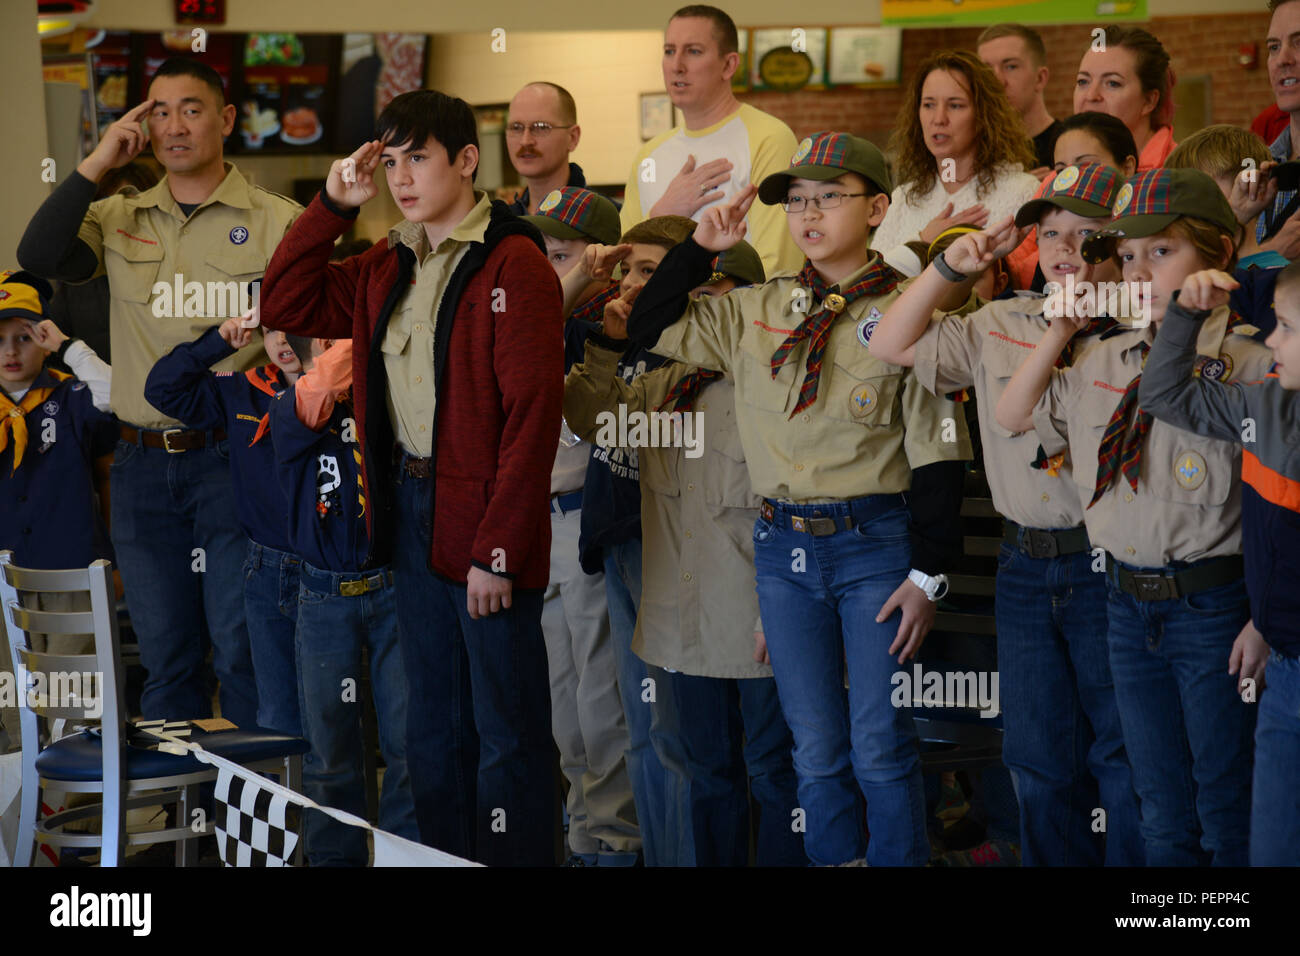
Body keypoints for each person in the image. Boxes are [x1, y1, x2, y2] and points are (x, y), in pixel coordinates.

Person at [625, 132, 972, 866]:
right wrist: (697, 248)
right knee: (814, 751)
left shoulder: (910, 317)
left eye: (830, 197)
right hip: (781, 551)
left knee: (879, 745)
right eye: (797, 201)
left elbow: (939, 455)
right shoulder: (755, 310)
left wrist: (927, 574)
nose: (809, 214)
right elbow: (649, 323)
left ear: (878, 207)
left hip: (874, 545)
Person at [258, 89, 563, 867]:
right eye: (389, 161)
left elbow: (532, 419)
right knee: (431, 729)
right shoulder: (383, 263)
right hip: (407, 505)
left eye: (417, 157)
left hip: (486, 513)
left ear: (466, 160)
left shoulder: (512, 261)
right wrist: (331, 202)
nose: (400, 177)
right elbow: (285, 298)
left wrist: (497, 548)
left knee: (506, 729)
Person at [996, 168, 1274, 866]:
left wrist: (1264, 616)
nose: (1141, 271)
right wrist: (1061, 330)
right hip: (1122, 604)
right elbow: (1011, 416)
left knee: (1223, 802)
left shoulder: (1252, 364)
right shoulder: (1100, 358)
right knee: (1158, 804)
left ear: (1217, 254)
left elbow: (1276, 510)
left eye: (1163, 252)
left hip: (1214, 607)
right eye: (1127, 256)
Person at [871, 165, 1145, 866]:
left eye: (1086, 235)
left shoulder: (1144, 335)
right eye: (1050, 231)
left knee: (1121, 752)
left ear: (1121, 247)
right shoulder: (1000, 322)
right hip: (1024, 562)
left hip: (1107, 565)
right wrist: (948, 267)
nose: (1062, 247)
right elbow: (890, 342)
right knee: (1035, 754)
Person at [16, 57, 301, 730]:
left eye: (192, 109)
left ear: (227, 119)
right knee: (169, 661)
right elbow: (38, 255)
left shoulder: (277, 222)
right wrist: (98, 160)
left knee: (243, 652)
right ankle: (183, 825)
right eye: (159, 112)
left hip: (238, 462)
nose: (174, 126)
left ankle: (241, 830)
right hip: (142, 467)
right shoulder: (116, 215)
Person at [565, 239, 806, 867]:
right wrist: (610, 345)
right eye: (693, 299)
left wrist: (774, 616)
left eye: (716, 299)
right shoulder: (662, 386)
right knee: (705, 772)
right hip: (687, 624)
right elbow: (597, 422)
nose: (701, 314)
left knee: (776, 771)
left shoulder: (779, 391)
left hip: (760, 621)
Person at [1138, 261, 1300, 866]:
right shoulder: (1268, 408)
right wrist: (1185, 314)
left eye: (1284, 327)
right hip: (1284, 671)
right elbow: (1164, 394)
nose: (1270, 340)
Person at [558, 215, 696, 866]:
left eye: (652, 270)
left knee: (676, 736)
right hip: (619, 543)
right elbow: (590, 421)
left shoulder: (697, 345)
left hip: (677, 550)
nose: (634, 283)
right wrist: (609, 346)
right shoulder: (616, 339)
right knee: (641, 732)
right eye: (629, 269)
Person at [519, 187, 641, 867]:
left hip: (585, 523)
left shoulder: (605, 319)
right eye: (539, 252)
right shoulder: (530, 312)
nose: (549, 266)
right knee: (561, 705)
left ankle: (617, 845)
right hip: (533, 526)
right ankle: (581, 837)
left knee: (602, 703)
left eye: (563, 254)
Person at [268, 337, 418, 866]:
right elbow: (295, 425)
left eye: (346, 341)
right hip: (323, 594)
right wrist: (335, 367)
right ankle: (336, 860)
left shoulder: (388, 399)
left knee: (406, 743)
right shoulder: (292, 406)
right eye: (327, 345)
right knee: (331, 750)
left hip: (393, 586)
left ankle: (404, 859)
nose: (339, 354)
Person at [144, 317, 305, 736]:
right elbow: (162, 389)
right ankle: (256, 790)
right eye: (272, 330)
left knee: (332, 707)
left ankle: (324, 800)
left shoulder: (348, 385)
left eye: (297, 325)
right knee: (266, 693)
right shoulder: (242, 390)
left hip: (334, 569)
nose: (284, 340)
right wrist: (216, 342)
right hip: (267, 564)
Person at [0, 271, 117, 746]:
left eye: (24, 337)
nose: (10, 351)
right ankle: (21, 812)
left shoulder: (71, 395)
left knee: (73, 703)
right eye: (0, 340)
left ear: (44, 339)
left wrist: (69, 348)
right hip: (4, 581)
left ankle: (74, 814)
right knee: (14, 708)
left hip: (72, 573)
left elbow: (118, 400)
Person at [621, 5, 802, 277]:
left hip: (734, 317)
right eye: (669, 51)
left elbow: (777, 269)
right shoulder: (649, 154)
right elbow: (618, 265)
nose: (677, 66)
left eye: (693, 51)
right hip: (654, 317)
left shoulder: (769, 138)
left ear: (729, 65)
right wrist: (662, 218)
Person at [874, 50, 1040, 278]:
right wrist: (922, 240)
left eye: (955, 105)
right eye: (929, 104)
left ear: (983, 116)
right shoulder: (905, 195)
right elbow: (869, 281)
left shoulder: (1022, 191)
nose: (938, 118)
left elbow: (1020, 284)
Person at [45, 161, 160, 365]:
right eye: (107, 203)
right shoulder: (75, 283)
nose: (119, 215)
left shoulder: (174, 272)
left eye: (131, 205)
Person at [1073, 25, 1177, 171]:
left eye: (1112, 83)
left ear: (1149, 101)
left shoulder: (1181, 175)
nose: (1091, 96)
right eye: (1083, 81)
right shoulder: (1061, 173)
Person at [976, 23, 1062, 175]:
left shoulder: (1068, 145)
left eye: (1010, 67)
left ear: (1040, 78)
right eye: (986, 70)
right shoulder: (975, 152)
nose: (997, 81)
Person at [506, 82, 588, 216]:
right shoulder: (501, 225)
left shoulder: (604, 221)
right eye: (516, 127)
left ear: (572, 137)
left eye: (541, 127)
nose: (525, 141)